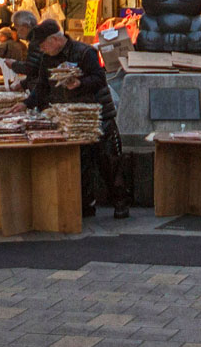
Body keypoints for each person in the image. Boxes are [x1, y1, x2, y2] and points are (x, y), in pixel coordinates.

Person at [23, 20, 129, 218]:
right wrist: (26, 103)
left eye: (43, 45)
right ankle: (85, 205)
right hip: (70, 118)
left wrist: (79, 83)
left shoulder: (84, 52)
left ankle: (120, 202)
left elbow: (99, 78)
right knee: (80, 163)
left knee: (108, 161)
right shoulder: (48, 59)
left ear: (55, 39)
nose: (42, 49)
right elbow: (43, 87)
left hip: (96, 115)